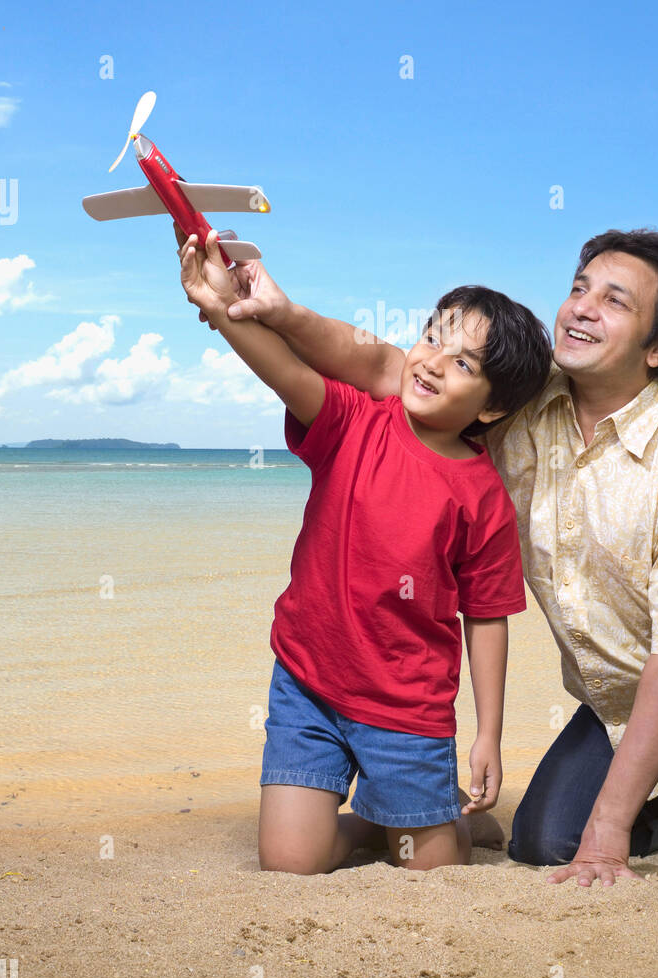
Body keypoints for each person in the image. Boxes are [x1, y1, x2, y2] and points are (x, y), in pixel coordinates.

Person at [213, 226, 658, 902]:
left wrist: (609, 828)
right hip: (622, 703)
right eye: (579, 288)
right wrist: (278, 314)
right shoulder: (527, 398)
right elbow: (384, 368)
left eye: (614, 301)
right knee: (541, 842)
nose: (580, 307)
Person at [177, 226, 553, 873]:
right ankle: (365, 828)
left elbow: (487, 615)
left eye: (463, 363)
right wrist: (221, 309)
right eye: (433, 337)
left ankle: (456, 825)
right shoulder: (353, 421)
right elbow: (289, 369)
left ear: (490, 410)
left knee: (434, 868)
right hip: (309, 683)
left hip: (407, 708)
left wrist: (489, 731)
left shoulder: (484, 497)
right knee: (291, 863)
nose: (433, 360)